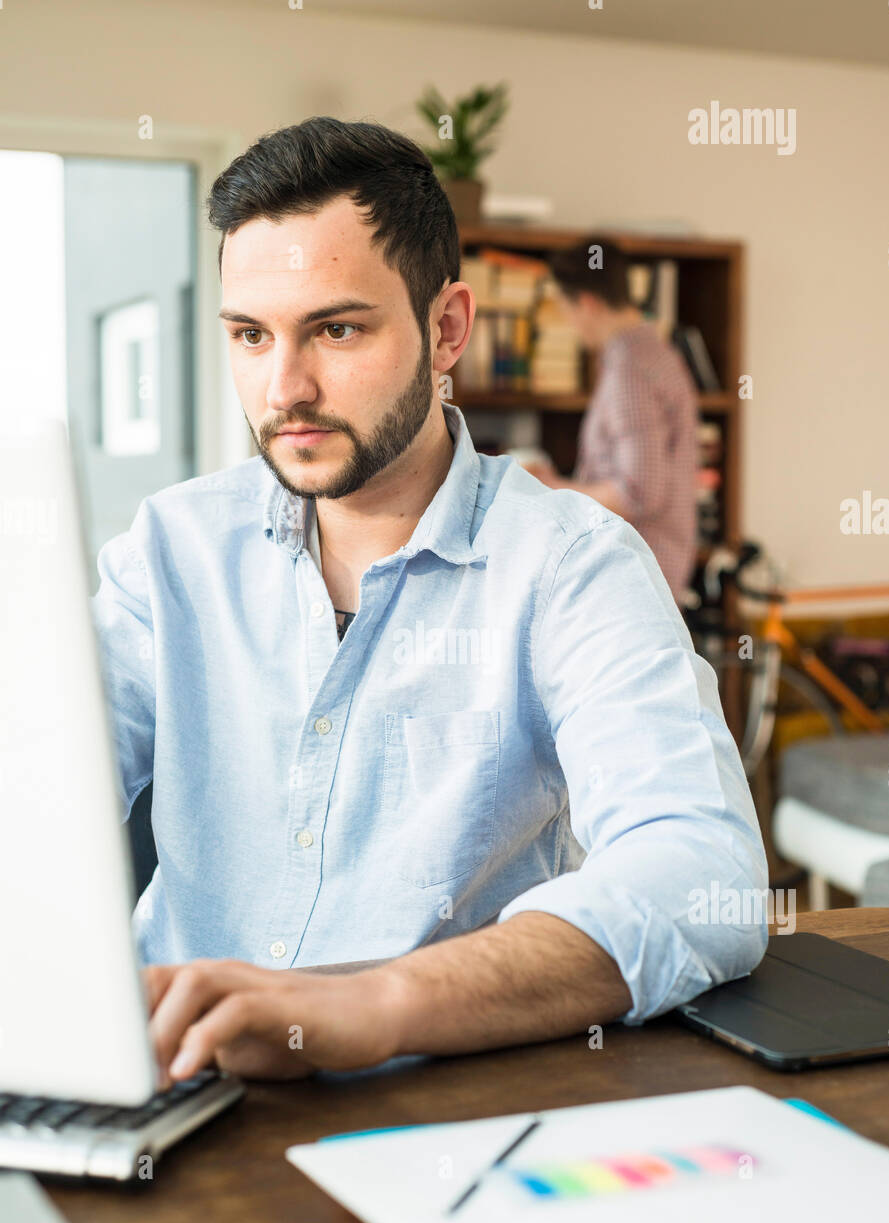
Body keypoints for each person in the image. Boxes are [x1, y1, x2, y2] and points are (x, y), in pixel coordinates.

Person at [91, 118, 767, 1084]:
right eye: (251, 335)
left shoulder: (571, 564)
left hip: (433, 1108)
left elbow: (703, 873)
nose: (285, 387)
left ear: (446, 328)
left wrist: (374, 1002)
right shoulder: (168, 551)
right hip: (164, 1091)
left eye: (336, 328)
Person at [528, 239, 698, 605]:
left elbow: (639, 493)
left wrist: (552, 486)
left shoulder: (630, 368)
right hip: (648, 572)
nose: (570, 324)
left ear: (588, 303)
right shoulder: (654, 352)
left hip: (635, 578)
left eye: (565, 310)